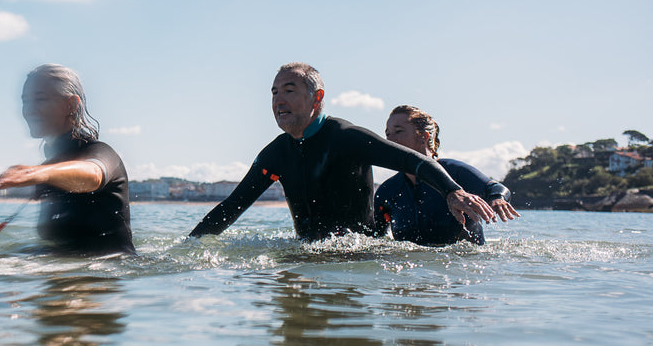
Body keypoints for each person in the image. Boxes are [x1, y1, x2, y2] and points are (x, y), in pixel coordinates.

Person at [189, 62, 497, 240]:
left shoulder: (346, 138)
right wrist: (187, 248)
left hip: (355, 261)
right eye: (274, 93)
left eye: (289, 91)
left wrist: (453, 192)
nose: (278, 100)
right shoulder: (276, 154)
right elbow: (231, 207)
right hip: (308, 257)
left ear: (317, 97)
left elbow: (413, 160)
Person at [0, 64, 135, 255]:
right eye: (25, 101)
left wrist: (38, 173)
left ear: (71, 104)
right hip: (63, 267)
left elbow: (93, 174)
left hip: (109, 270)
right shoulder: (50, 169)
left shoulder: (101, 152)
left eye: (40, 99)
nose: (29, 110)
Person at [375, 105, 519, 245]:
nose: (389, 140)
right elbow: (374, 238)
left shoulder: (454, 172)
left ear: (423, 137)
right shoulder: (387, 190)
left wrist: (498, 199)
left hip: (463, 259)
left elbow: (495, 188)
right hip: (409, 261)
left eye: (398, 131)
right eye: (387, 134)